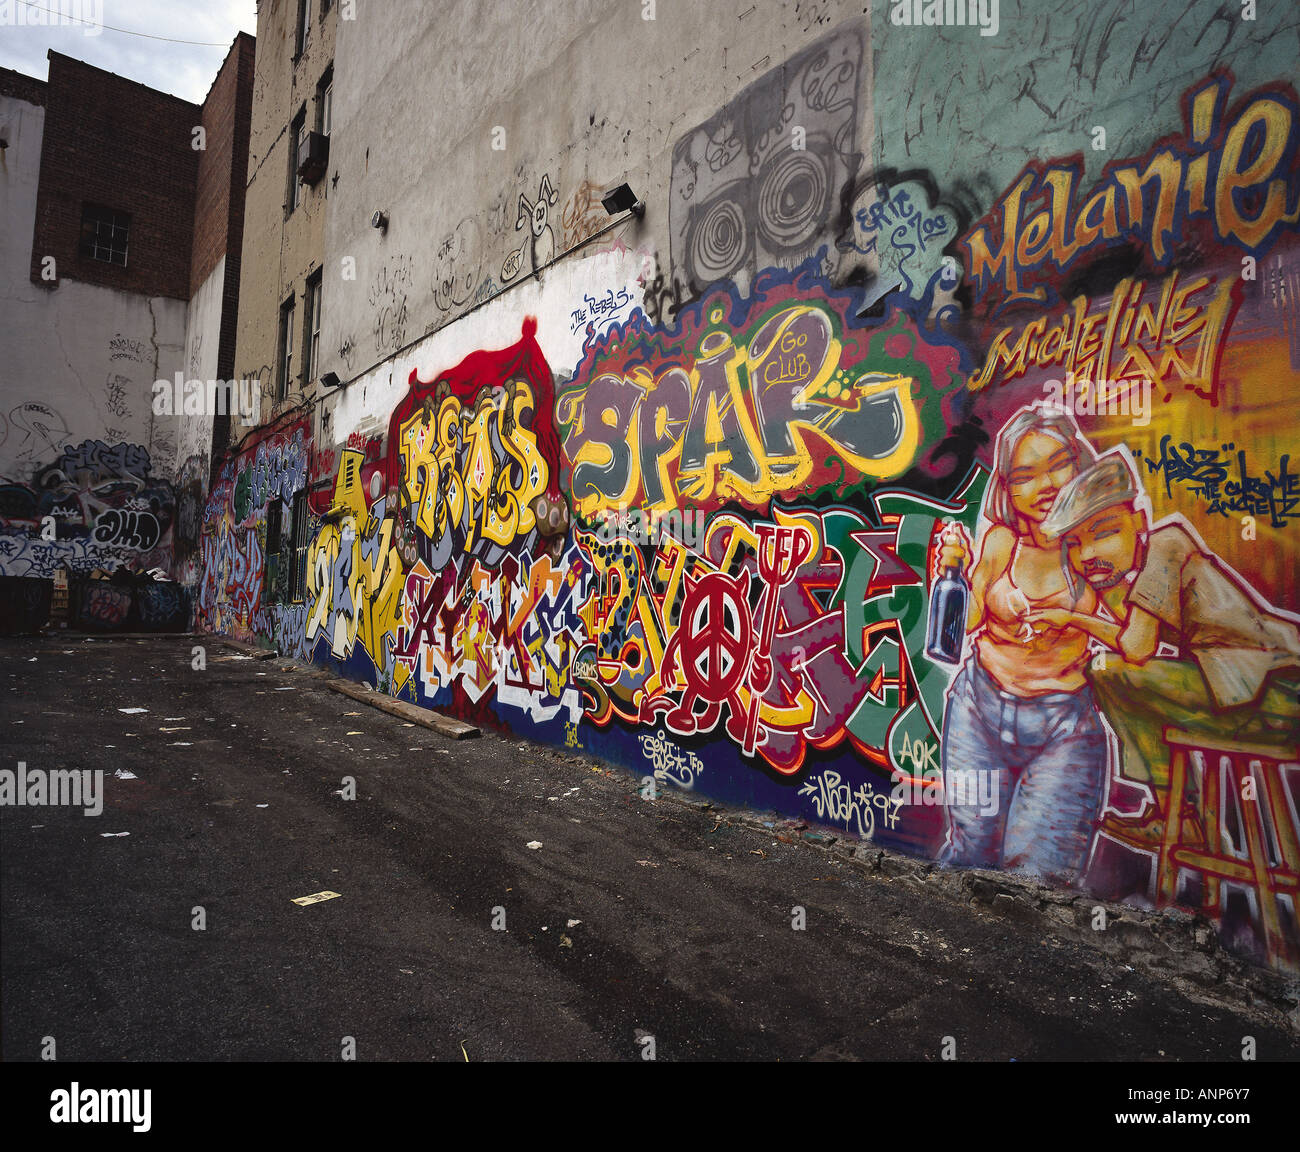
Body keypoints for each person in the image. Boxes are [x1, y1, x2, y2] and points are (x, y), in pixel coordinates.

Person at [1033, 448, 1300, 787]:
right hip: (1240, 690)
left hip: (1279, 691)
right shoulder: (1132, 574)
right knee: (1114, 678)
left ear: (1139, 522)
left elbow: (1136, 649)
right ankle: (1176, 812)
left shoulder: (1166, 544)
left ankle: (1178, 810)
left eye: (1104, 533)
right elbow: (1135, 644)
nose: (1087, 555)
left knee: (1107, 671)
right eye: (1073, 544)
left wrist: (1071, 618)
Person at [934, 404, 1110, 885]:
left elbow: (1135, 634)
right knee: (969, 856)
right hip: (978, 711)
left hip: (1063, 730)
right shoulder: (1000, 543)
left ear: (1081, 464)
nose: (1047, 485)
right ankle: (940, 958)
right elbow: (962, 626)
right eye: (1026, 475)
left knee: (1038, 880)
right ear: (1008, 489)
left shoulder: (1096, 548)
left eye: (1059, 464)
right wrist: (953, 570)